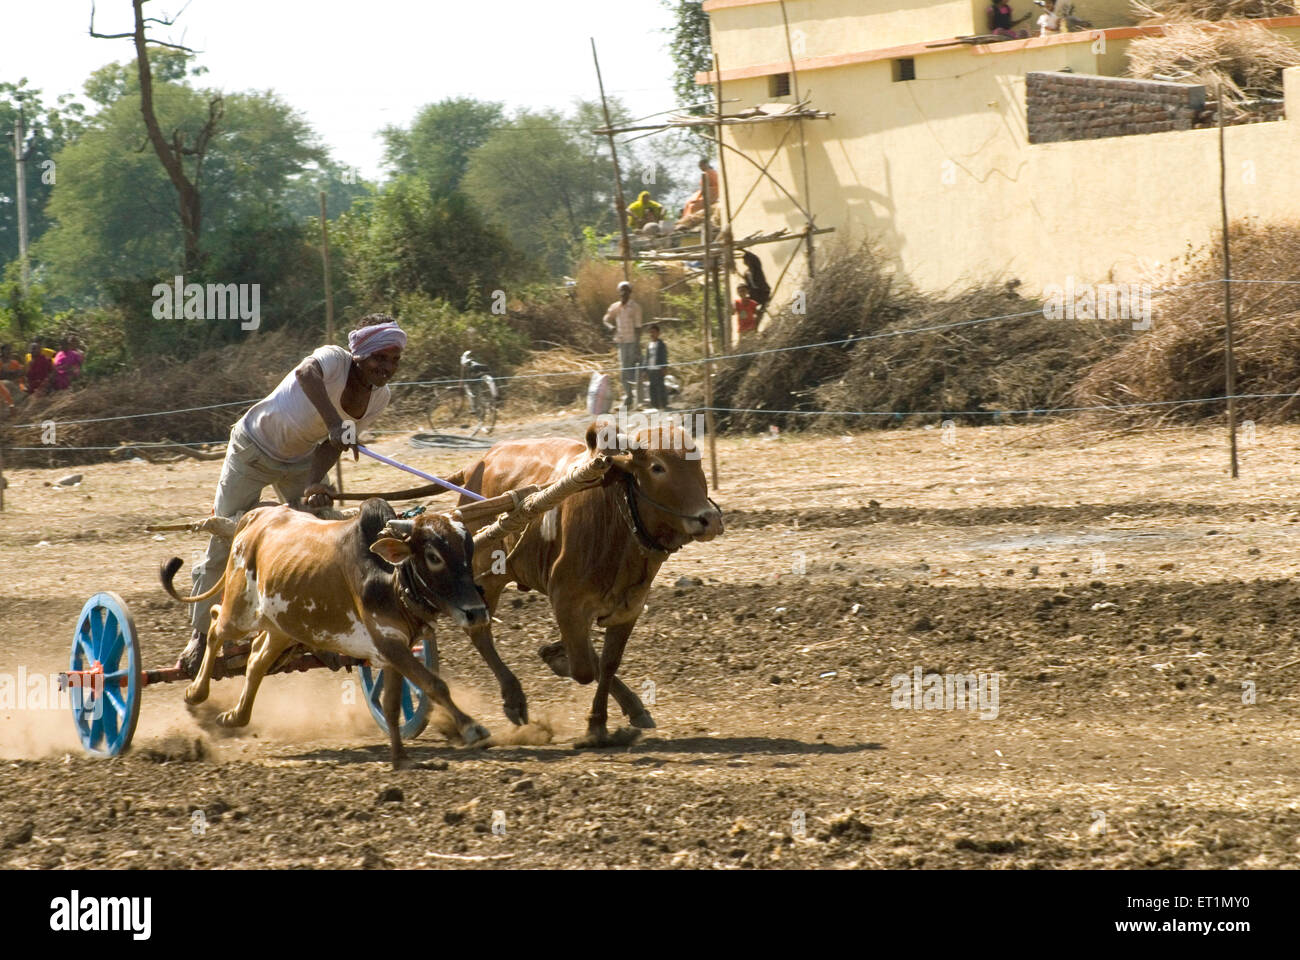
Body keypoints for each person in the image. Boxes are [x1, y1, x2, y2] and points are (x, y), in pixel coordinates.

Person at [175, 315, 405, 677]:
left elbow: (336, 442)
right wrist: (333, 421)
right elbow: (305, 375)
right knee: (224, 541)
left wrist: (315, 483)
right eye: (379, 358)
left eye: (394, 361)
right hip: (251, 450)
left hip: (301, 462)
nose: (387, 368)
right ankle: (200, 635)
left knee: (324, 540)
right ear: (359, 353)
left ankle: (316, 632)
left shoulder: (380, 398)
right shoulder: (331, 360)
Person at [602, 280, 643, 409]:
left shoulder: (635, 307)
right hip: (621, 341)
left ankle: (635, 398)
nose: (623, 293)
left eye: (626, 290)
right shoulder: (615, 306)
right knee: (623, 369)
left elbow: (638, 328)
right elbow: (605, 319)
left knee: (630, 369)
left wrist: (637, 345)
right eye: (621, 290)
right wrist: (610, 326)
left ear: (630, 292)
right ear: (618, 292)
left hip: (631, 341)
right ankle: (629, 397)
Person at [676, 158, 721, 229]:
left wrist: (700, 195)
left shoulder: (707, 173)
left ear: (706, 165)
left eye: (701, 166)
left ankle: (687, 221)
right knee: (689, 202)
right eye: (700, 167)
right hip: (713, 194)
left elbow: (704, 189)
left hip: (710, 195)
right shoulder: (713, 172)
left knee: (692, 205)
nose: (701, 168)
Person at [643, 324, 669, 410]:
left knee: (660, 387)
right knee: (652, 387)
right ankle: (655, 405)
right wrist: (644, 370)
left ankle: (664, 404)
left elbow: (664, 356)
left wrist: (664, 367)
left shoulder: (661, 344)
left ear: (658, 333)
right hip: (650, 369)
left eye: (653, 332)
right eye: (650, 332)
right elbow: (646, 357)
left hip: (658, 369)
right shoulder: (649, 345)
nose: (651, 334)